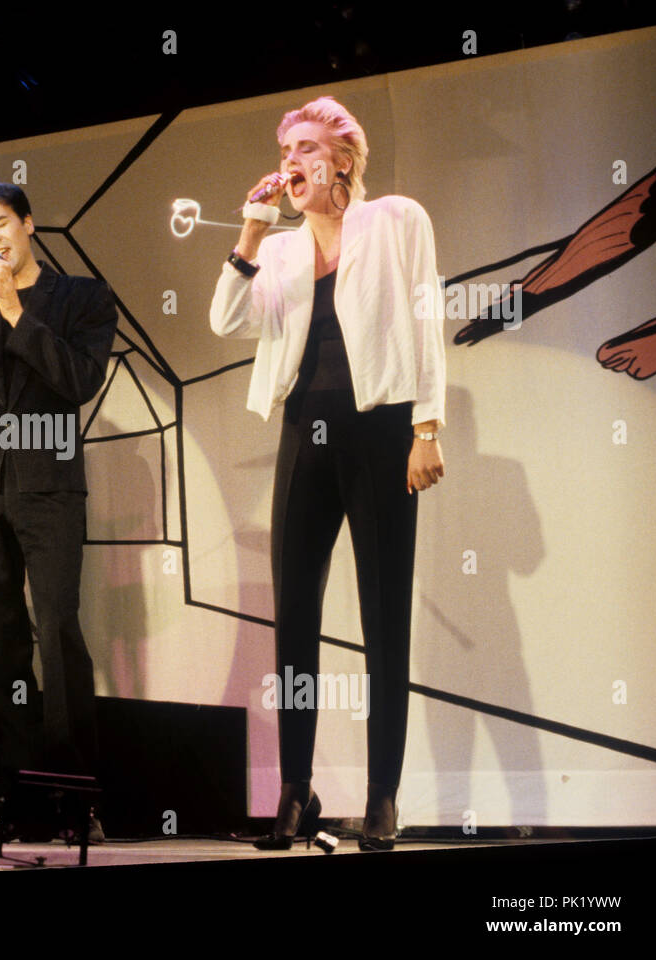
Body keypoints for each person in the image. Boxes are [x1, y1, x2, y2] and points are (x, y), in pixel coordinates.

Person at [209, 97, 446, 851]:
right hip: (301, 436)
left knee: (383, 622)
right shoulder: (277, 250)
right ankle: (294, 793)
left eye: (309, 147)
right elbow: (225, 320)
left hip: (381, 432)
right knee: (294, 626)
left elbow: (427, 318)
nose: (294, 161)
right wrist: (250, 230)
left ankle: (382, 796)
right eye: (286, 151)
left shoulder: (397, 220)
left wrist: (427, 427)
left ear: (343, 159)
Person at [0, 180, 118, 835]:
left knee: (58, 633)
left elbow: (78, 380)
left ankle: (73, 795)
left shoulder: (82, 297)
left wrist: (14, 312)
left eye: (0, 224)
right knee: (2, 647)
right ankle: (20, 792)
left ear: (29, 224)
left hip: (50, 488)